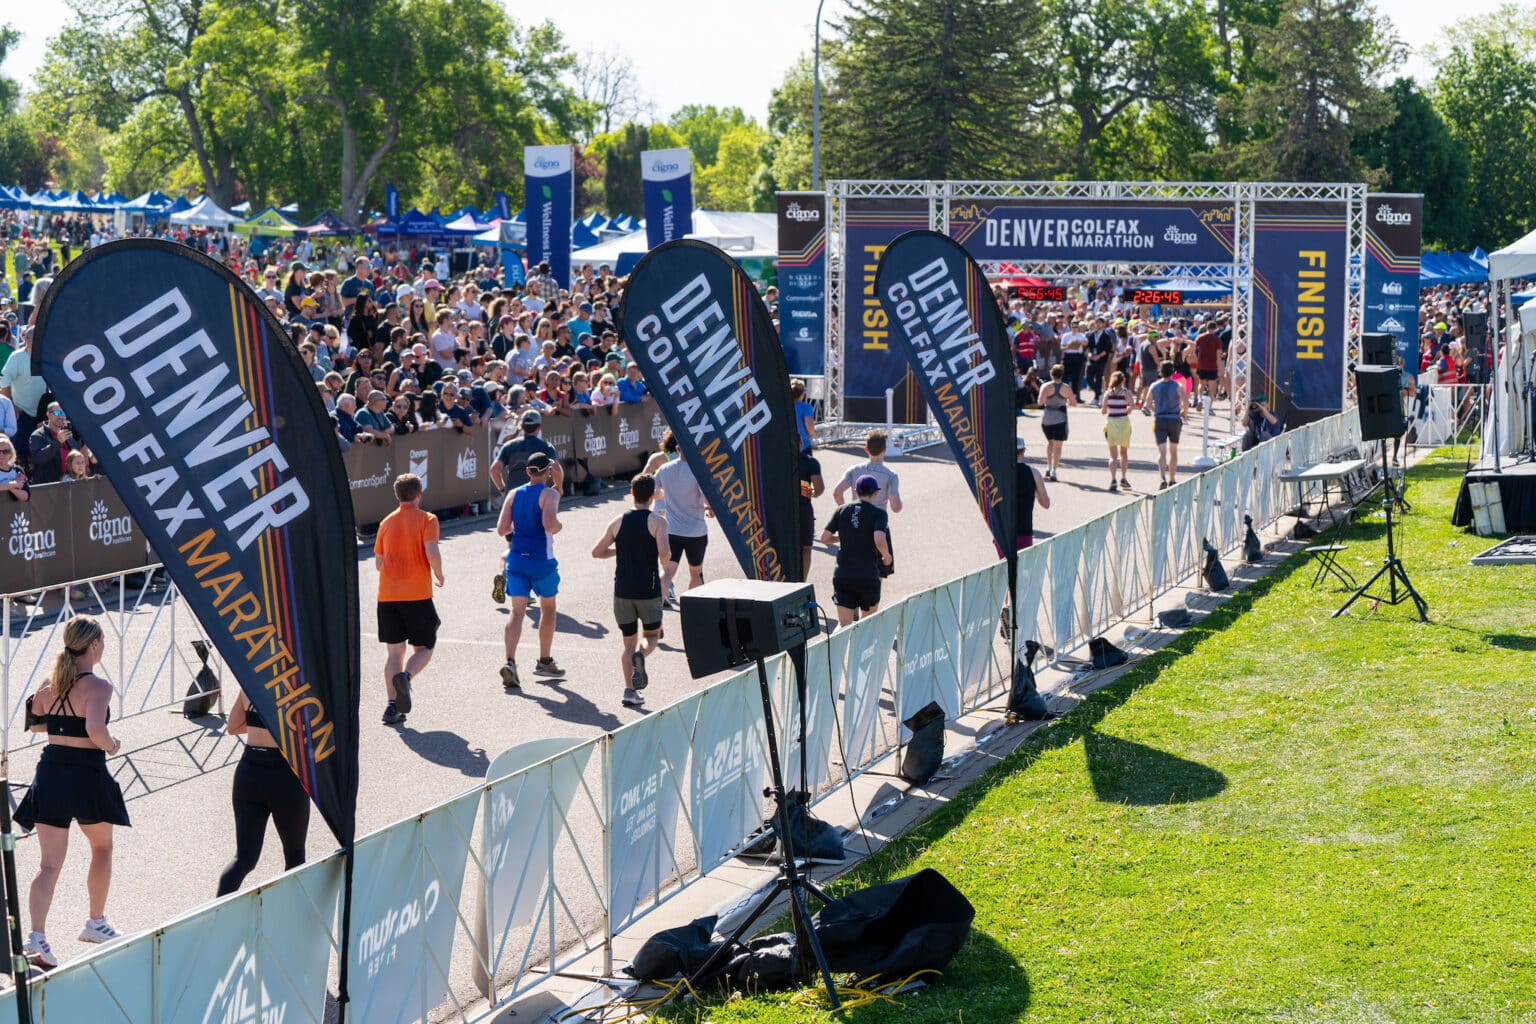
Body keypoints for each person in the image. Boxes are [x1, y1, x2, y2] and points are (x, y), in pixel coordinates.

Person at [17, 616, 129, 968]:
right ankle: (96, 922)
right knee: (102, 847)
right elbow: (96, 729)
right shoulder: (99, 687)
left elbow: (34, 722)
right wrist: (112, 745)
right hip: (87, 775)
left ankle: (36, 938)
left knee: (48, 864)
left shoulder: (49, 684)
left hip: (50, 772)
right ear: (93, 645)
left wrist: (62, 726)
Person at [215, 689, 310, 896]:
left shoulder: (248, 681)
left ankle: (218, 919)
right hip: (285, 775)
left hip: (249, 772)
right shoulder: (297, 684)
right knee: (295, 857)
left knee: (243, 859)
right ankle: (291, 919)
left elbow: (233, 727)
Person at [590, 473, 669, 708]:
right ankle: (641, 657)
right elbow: (664, 554)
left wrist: (620, 551)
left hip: (622, 591)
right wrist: (664, 561)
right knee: (652, 636)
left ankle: (629, 692)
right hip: (648, 589)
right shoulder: (658, 522)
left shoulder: (617, 521)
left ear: (632, 493)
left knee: (627, 644)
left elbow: (596, 552)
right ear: (653, 495)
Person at [374, 473, 444, 726]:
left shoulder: (386, 522)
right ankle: (406, 677)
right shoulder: (428, 519)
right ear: (418, 495)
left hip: (388, 596)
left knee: (394, 652)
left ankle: (392, 707)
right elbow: (432, 551)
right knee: (425, 647)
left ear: (397, 495)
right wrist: (438, 573)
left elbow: (378, 563)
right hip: (417, 594)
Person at [498, 452, 565, 688]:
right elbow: (549, 524)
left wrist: (522, 523)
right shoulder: (550, 494)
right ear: (547, 472)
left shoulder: (514, 494)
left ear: (527, 472)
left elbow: (501, 529)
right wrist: (559, 525)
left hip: (516, 559)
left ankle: (510, 661)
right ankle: (545, 661)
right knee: (548, 608)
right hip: (541, 561)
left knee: (517, 612)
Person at [819, 475, 892, 628]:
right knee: (867, 626)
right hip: (867, 576)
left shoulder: (842, 510)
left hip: (843, 575)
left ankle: (838, 652)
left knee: (844, 626)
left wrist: (840, 538)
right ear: (876, 493)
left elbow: (824, 538)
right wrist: (887, 556)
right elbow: (879, 539)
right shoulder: (879, 514)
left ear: (855, 491)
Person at [654, 442, 711, 605]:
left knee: (666, 574)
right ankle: (694, 609)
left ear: (677, 449)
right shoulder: (698, 471)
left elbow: (652, 490)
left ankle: (655, 613)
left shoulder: (664, 469)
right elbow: (706, 497)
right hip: (696, 533)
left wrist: (668, 495)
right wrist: (709, 508)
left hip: (672, 532)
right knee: (696, 573)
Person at [832, 429, 903, 512]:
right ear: (884, 449)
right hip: (877, 521)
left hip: (856, 519)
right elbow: (896, 507)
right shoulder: (891, 476)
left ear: (866, 449)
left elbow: (837, 493)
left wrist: (845, 512)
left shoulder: (853, 470)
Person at [1148, 360, 1188, 489]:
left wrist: (1157, 410)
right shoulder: (1178, 386)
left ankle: (1162, 477)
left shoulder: (1154, 386)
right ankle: (1172, 478)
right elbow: (1185, 401)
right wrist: (1183, 411)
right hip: (1174, 419)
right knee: (1173, 450)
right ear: (1173, 372)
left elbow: (1147, 405)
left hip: (1160, 419)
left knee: (1162, 451)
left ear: (1160, 372)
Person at [1038, 364, 1077, 480]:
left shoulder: (1045, 386)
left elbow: (1040, 402)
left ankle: (1048, 466)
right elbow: (1074, 403)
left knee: (1050, 443)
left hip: (1047, 418)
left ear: (1051, 374)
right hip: (1060, 418)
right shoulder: (1066, 388)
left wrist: (1048, 400)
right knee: (1058, 446)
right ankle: (1054, 470)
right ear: (1062, 375)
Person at [1013, 436, 1051, 550]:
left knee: (1002, 566)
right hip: (1024, 531)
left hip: (1003, 532)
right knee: (1023, 567)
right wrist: (1034, 491)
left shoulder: (1000, 474)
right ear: (1023, 451)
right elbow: (1046, 504)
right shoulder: (1034, 474)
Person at [1100, 370, 1134, 491]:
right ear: (1123, 381)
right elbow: (1132, 405)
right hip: (1124, 423)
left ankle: (1113, 479)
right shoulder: (1126, 392)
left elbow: (1103, 411)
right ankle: (1123, 478)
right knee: (1123, 453)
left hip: (1111, 424)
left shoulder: (1108, 393)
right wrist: (1127, 410)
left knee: (1112, 455)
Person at [798, 446, 824, 582]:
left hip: (781, 510)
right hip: (803, 508)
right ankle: (801, 582)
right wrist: (807, 492)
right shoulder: (810, 462)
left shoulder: (775, 460)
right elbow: (819, 488)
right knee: (806, 547)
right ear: (800, 443)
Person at [1193, 317, 1223, 410]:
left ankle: (1200, 399)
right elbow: (1218, 354)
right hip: (1212, 365)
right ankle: (1209, 407)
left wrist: (1196, 360)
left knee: (1201, 384)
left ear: (1206, 327)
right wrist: (1219, 368)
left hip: (1201, 364)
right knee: (1212, 386)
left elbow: (1193, 349)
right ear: (1215, 328)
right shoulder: (1216, 339)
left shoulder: (1200, 337)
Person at [0, 436, 29, 501]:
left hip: (13, 510)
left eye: (6, 451)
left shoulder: (17, 470)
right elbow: (16, 485)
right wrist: (13, 484)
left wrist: (11, 488)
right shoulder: (14, 483)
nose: (1, 454)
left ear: (11, 453)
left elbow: (26, 497)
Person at [792, 379, 816, 452]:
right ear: (802, 393)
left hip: (788, 446)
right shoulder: (807, 407)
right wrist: (813, 434)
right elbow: (809, 426)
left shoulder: (784, 407)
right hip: (803, 446)